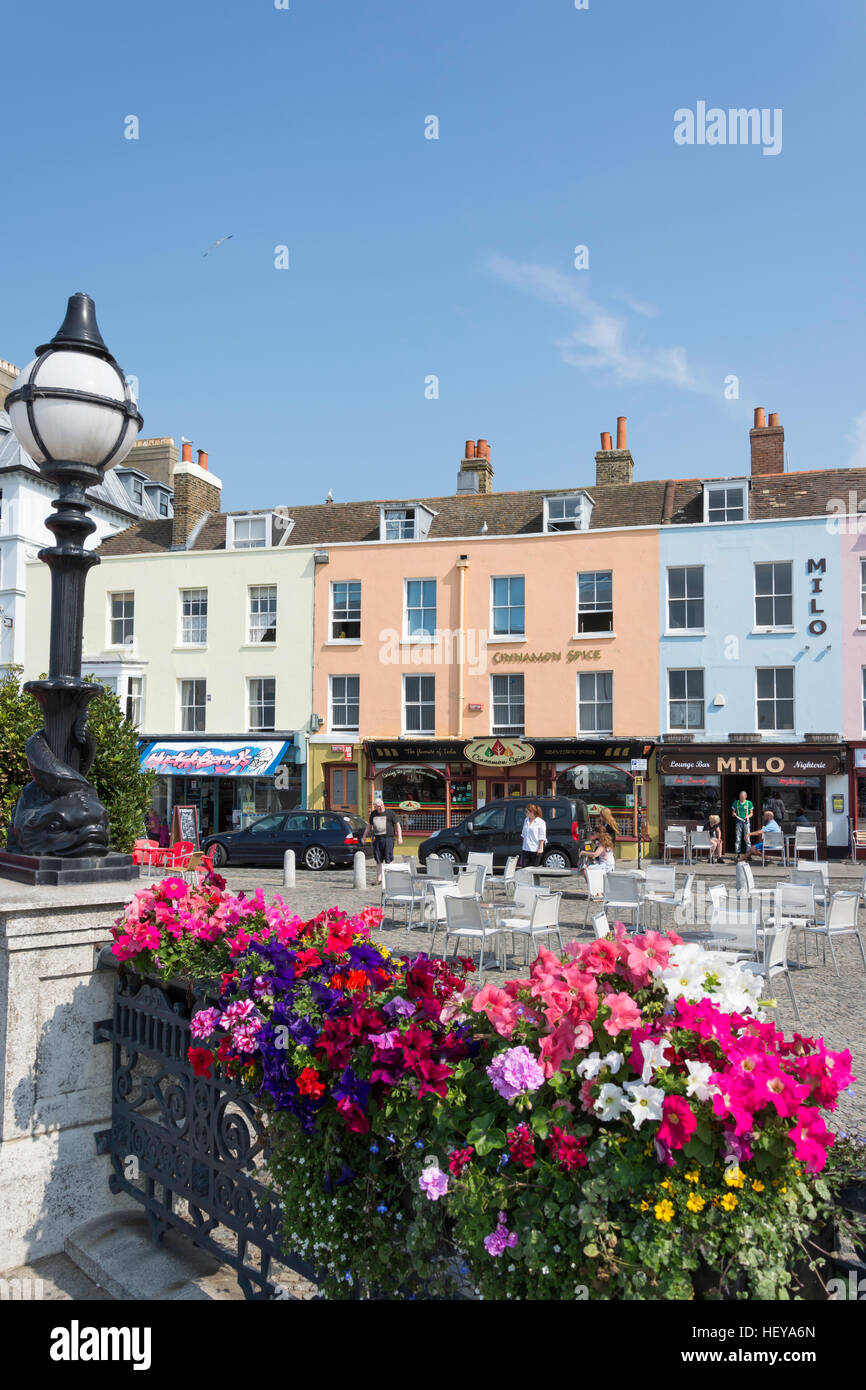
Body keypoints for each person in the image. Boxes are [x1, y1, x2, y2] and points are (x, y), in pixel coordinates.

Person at [365, 797, 403, 884]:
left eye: (382, 805)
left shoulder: (390, 813)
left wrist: (400, 837)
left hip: (388, 839)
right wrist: (364, 836)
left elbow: (397, 825)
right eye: (378, 806)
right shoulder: (373, 814)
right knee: (378, 860)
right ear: (375, 807)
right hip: (377, 840)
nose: (381, 807)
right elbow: (369, 825)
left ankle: (391, 878)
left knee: (389, 858)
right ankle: (379, 879)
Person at [731, 789, 754, 860]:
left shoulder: (749, 803)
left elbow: (751, 813)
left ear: (746, 796)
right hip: (738, 821)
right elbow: (733, 812)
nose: (742, 797)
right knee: (738, 838)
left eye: (743, 796)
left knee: (747, 838)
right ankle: (737, 854)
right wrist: (734, 814)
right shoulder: (736, 802)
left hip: (746, 822)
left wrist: (748, 816)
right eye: (741, 796)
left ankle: (748, 854)